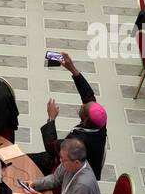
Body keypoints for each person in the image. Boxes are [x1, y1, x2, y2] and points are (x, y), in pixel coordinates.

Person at [32, 52, 106, 180]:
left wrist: (51, 119)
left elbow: (51, 146)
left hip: (70, 172)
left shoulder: (77, 142)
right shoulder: (99, 122)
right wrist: (72, 69)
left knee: (23, 165)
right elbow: (88, 96)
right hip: (81, 161)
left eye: (84, 108)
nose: (82, 106)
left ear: (85, 119)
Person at [28, 138, 101, 194]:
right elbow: (55, 179)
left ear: (77, 162)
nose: (60, 161)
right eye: (60, 157)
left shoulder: (83, 185)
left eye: (64, 160)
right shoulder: (70, 164)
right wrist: (34, 184)